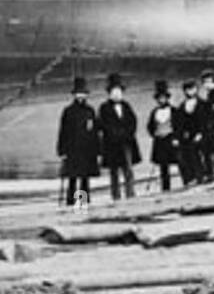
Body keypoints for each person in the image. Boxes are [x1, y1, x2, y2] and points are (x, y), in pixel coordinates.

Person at [56, 76, 99, 208]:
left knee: (85, 179)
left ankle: (83, 203)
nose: (80, 96)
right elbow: (63, 131)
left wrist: (97, 149)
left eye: (83, 93)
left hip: (87, 150)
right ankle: (70, 203)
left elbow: (95, 131)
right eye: (78, 94)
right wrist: (61, 150)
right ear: (74, 95)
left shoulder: (90, 111)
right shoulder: (68, 111)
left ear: (86, 95)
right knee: (72, 178)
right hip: (72, 149)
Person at [98, 72, 141, 200]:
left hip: (125, 143)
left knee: (128, 169)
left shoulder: (126, 106)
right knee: (114, 173)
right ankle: (115, 196)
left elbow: (133, 122)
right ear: (109, 93)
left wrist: (126, 134)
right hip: (111, 144)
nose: (116, 94)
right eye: (114, 91)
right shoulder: (104, 108)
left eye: (119, 91)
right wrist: (114, 135)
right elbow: (103, 125)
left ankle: (130, 195)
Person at [172, 78, 206, 186]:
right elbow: (178, 123)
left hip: (200, 133)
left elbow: (204, 120)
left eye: (192, 89)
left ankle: (202, 176)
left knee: (199, 154)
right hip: (187, 135)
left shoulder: (202, 104)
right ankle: (190, 178)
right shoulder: (182, 106)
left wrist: (200, 133)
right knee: (185, 155)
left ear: (196, 89)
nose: (190, 92)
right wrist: (177, 137)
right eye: (187, 90)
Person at [146, 79, 179, 191]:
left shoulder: (174, 110)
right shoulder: (154, 112)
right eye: (159, 98)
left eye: (163, 98)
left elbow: (179, 125)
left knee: (179, 161)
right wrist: (154, 133)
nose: (161, 100)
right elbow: (150, 126)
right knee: (163, 166)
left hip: (171, 139)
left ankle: (187, 181)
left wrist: (176, 137)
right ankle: (166, 188)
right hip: (160, 141)